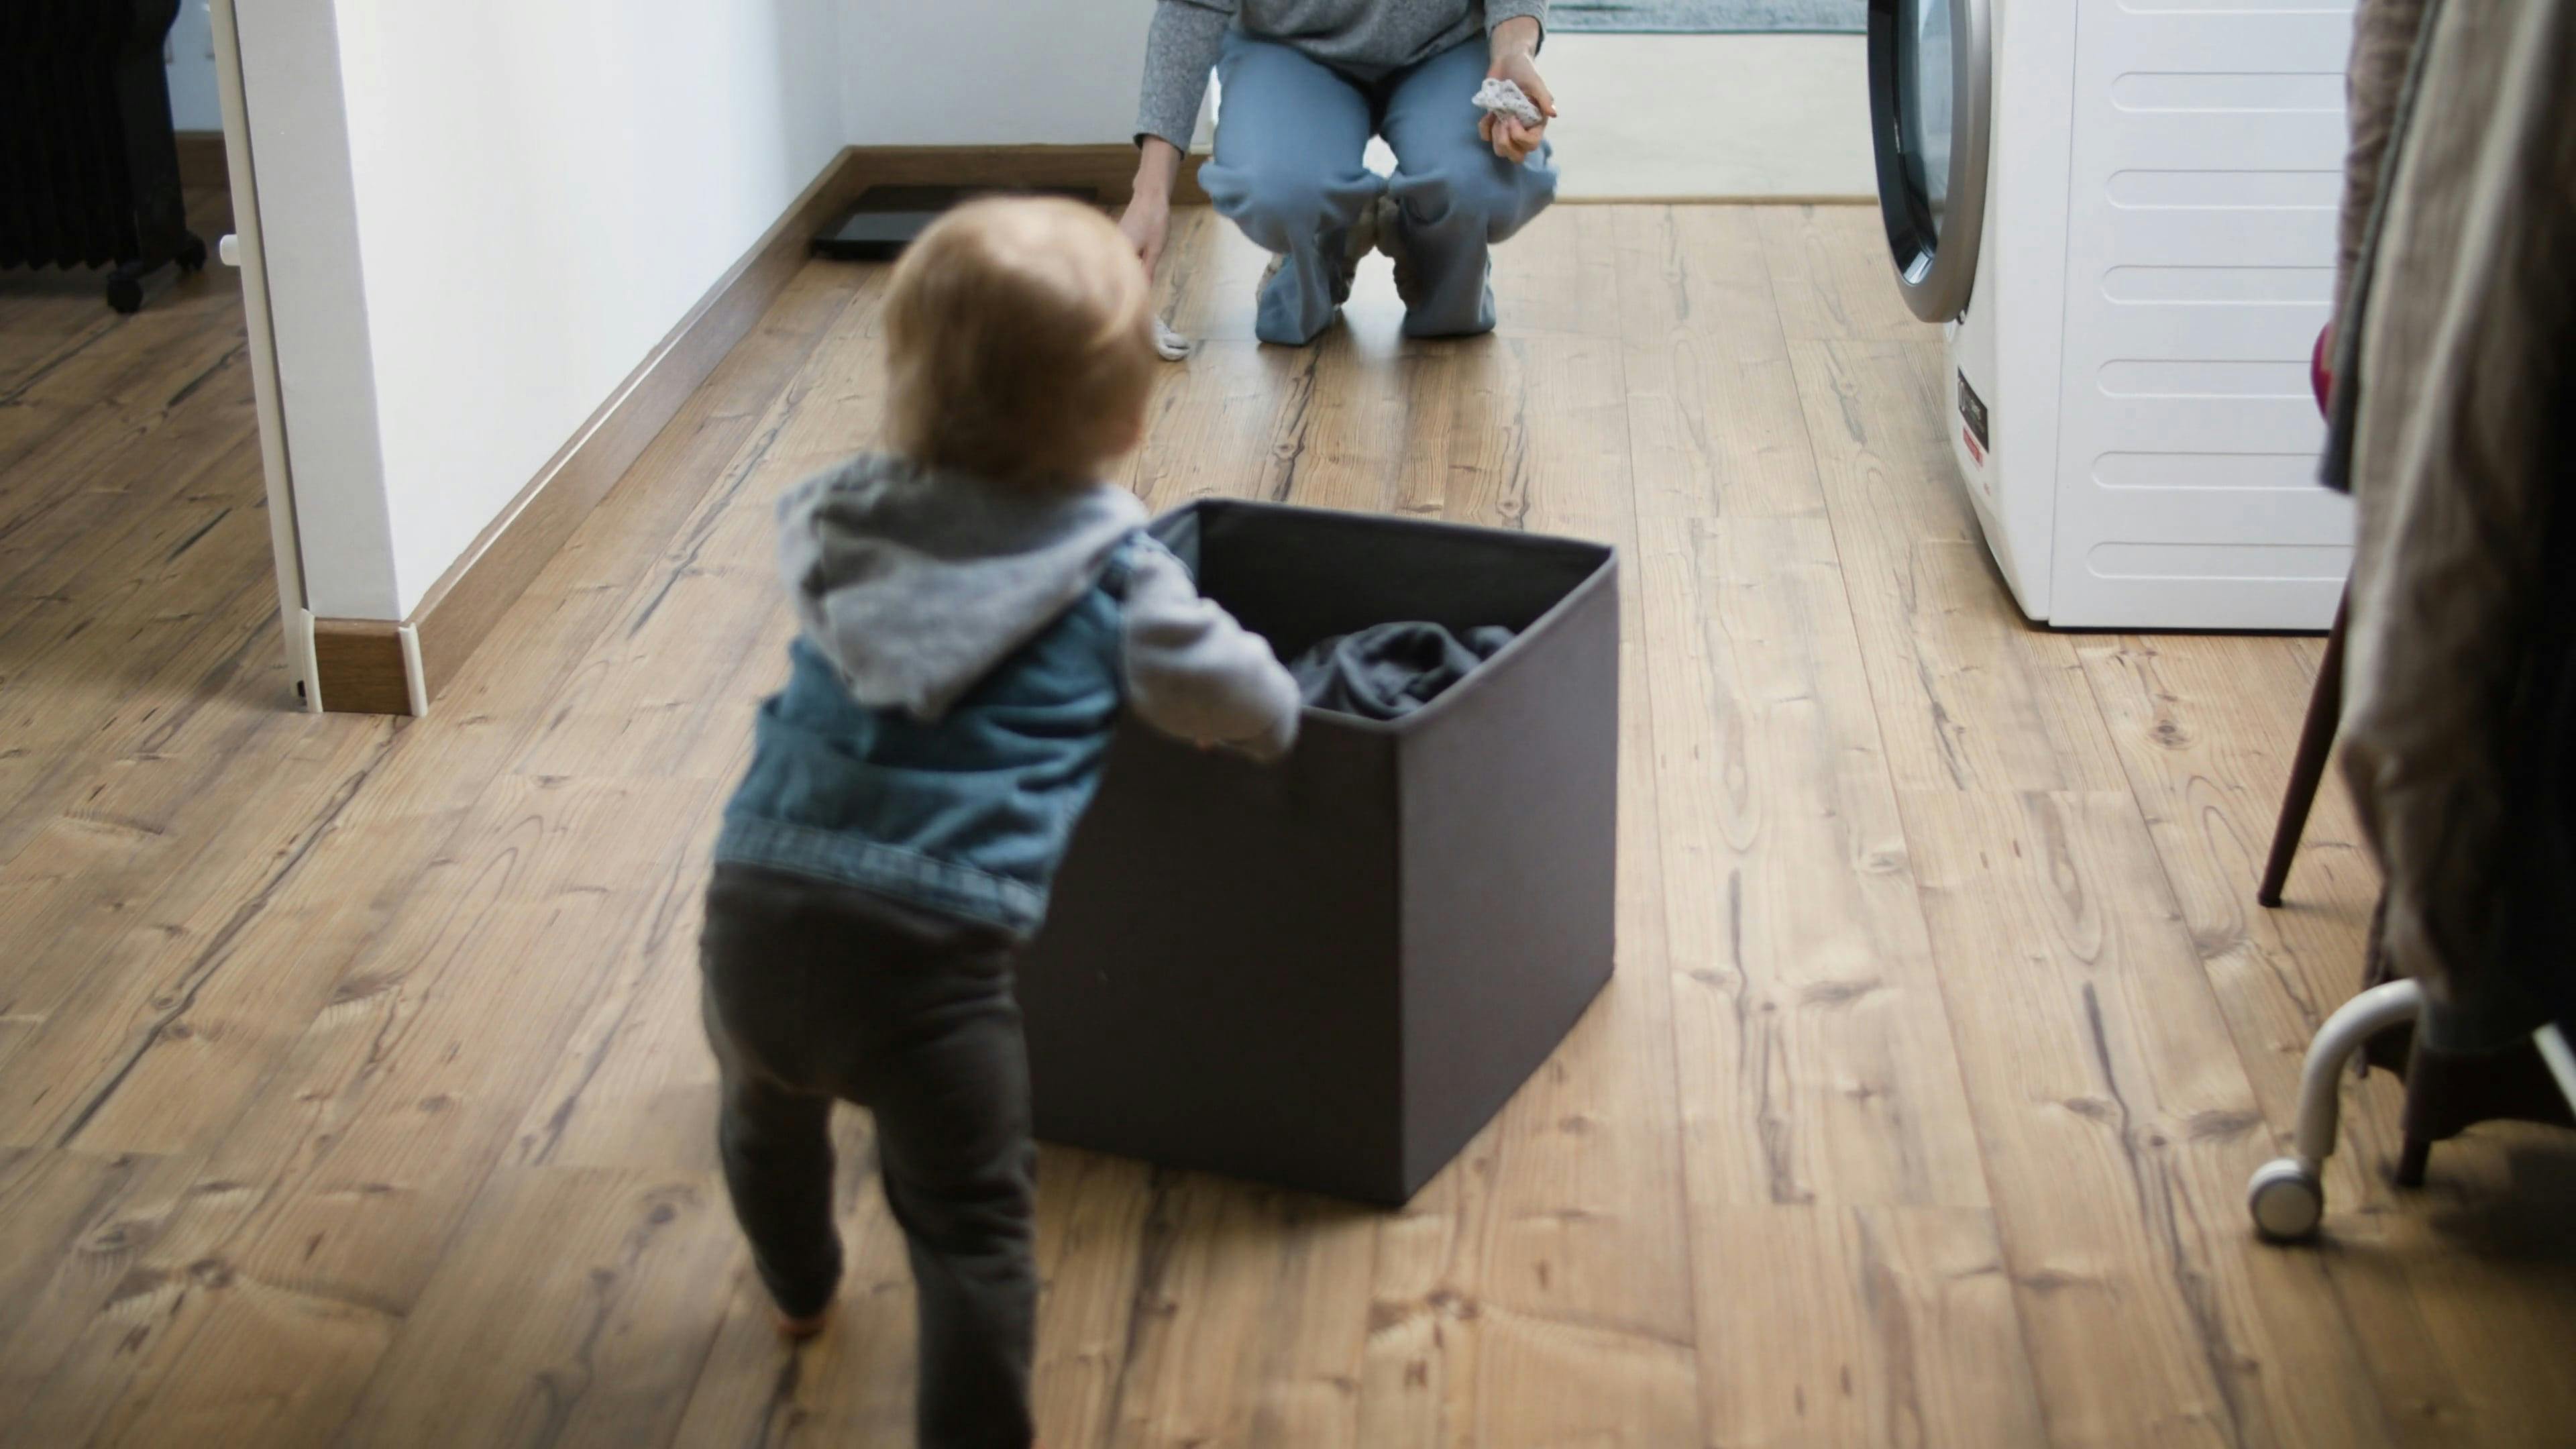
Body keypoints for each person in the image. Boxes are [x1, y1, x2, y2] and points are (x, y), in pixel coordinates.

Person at [698, 197, 1303, 1449]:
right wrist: (1252, 730)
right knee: (969, 1232)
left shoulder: (841, 525)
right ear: (1131, 424)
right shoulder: (1117, 574)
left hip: (751, 904)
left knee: (765, 1113)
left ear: (903, 396)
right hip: (928, 964)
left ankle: (800, 1292)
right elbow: (1256, 701)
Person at [1121, 0, 1560, 346]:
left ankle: (1424, 243)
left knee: (1480, 189)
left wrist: (1513, 50)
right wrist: (1150, 193)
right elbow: (1192, 6)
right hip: (1289, 46)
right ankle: (1327, 238)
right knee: (1280, 191)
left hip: (1445, 43)